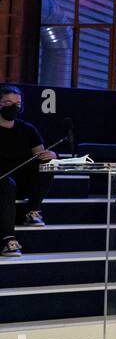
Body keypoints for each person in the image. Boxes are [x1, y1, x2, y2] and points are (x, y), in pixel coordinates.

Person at [0, 85, 56, 258]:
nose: (13, 107)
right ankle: (8, 240)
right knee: (6, 183)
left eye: (17, 103)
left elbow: (41, 154)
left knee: (47, 163)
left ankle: (32, 211)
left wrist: (52, 154)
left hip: (22, 181)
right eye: (8, 102)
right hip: (2, 181)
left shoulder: (27, 129)